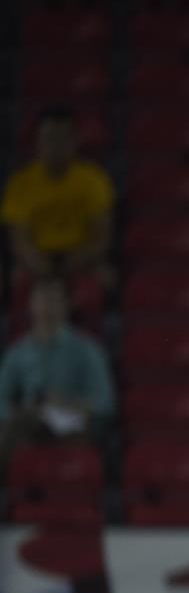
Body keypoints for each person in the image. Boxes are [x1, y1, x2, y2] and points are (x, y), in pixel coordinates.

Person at [0, 276, 113, 465]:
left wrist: (69, 404)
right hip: (29, 422)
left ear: (67, 304)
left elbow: (105, 401)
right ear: (31, 304)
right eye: (42, 299)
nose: (47, 307)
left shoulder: (86, 349)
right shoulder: (18, 352)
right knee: (22, 426)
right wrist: (17, 413)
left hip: (72, 421)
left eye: (53, 300)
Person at [2, 107, 115, 287]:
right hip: (38, 257)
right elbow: (19, 239)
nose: (56, 144)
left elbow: (102, 237)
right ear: (38, 142)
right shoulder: (20, 183)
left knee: (107, 279)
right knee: (11, 280)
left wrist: (73, 263)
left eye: (63, 137)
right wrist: (39, 265)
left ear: (75, 141)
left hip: (80, 256)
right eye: (49, 138)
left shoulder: (94, 179)